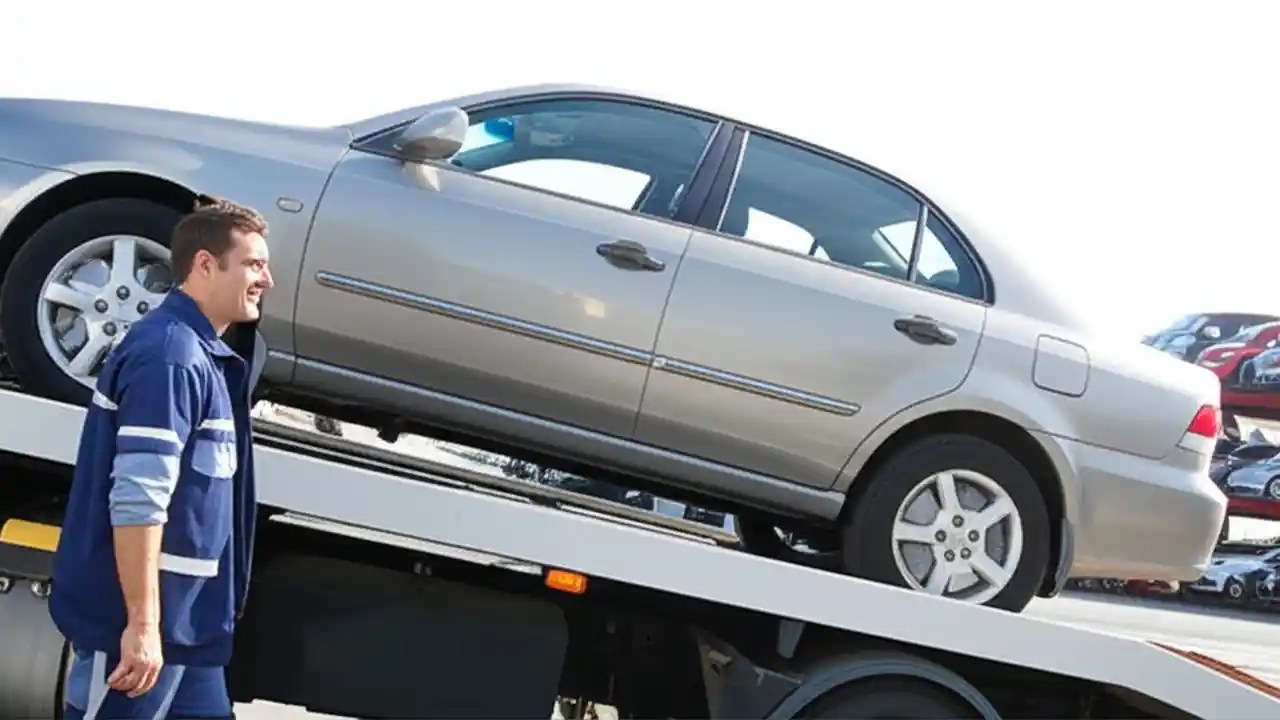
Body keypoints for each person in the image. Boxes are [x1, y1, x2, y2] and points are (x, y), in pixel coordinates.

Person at [49, 194, 275, 720]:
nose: (267, 280)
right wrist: (143, 626)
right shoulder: (171, 358)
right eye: (254, 264)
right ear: (204, 265)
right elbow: (138, 500)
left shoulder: (204, 357)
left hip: (186, 632)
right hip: (141, 632)